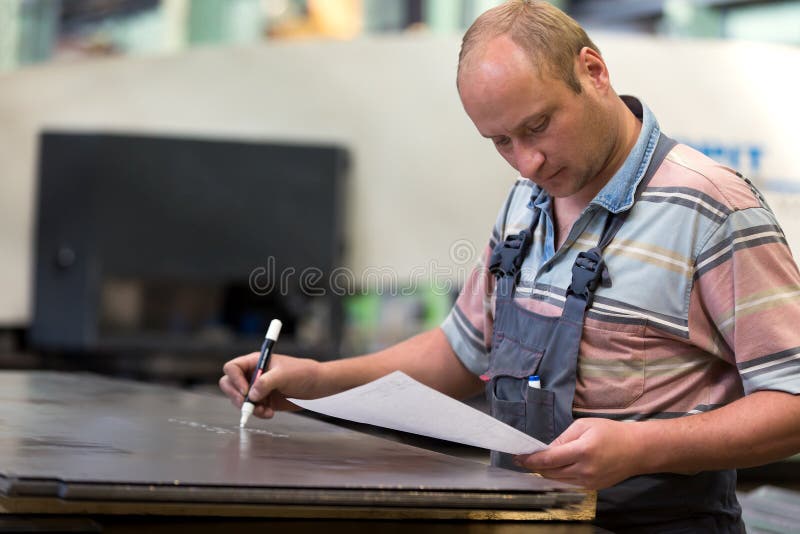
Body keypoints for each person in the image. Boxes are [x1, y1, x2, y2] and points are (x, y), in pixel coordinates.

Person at [220, 1, 800, 531]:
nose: (528, 161)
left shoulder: (712, 210)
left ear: (593, 72)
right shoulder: (527, 202)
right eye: (500, 141)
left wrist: (643, 448)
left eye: (538, 126)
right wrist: (318, 382)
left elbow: (792, 403)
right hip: (523, 519)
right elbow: (463, 351)